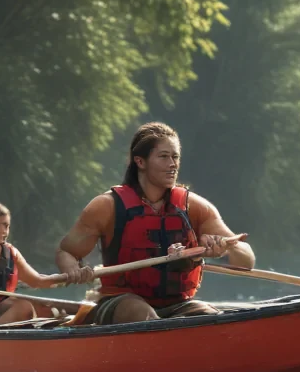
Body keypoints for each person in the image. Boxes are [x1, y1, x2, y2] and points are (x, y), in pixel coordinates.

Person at [55, 121, 255, 325]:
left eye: (175, 157)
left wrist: (226, 248)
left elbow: (246, 260)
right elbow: (66, 251)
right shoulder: (106, 207)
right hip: (120, 302)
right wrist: (72, 268)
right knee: (141, 313)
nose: (173, 164)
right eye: (164, 156)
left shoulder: (195, 207)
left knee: (208, 317)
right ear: (140, 162)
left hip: (177, 304)